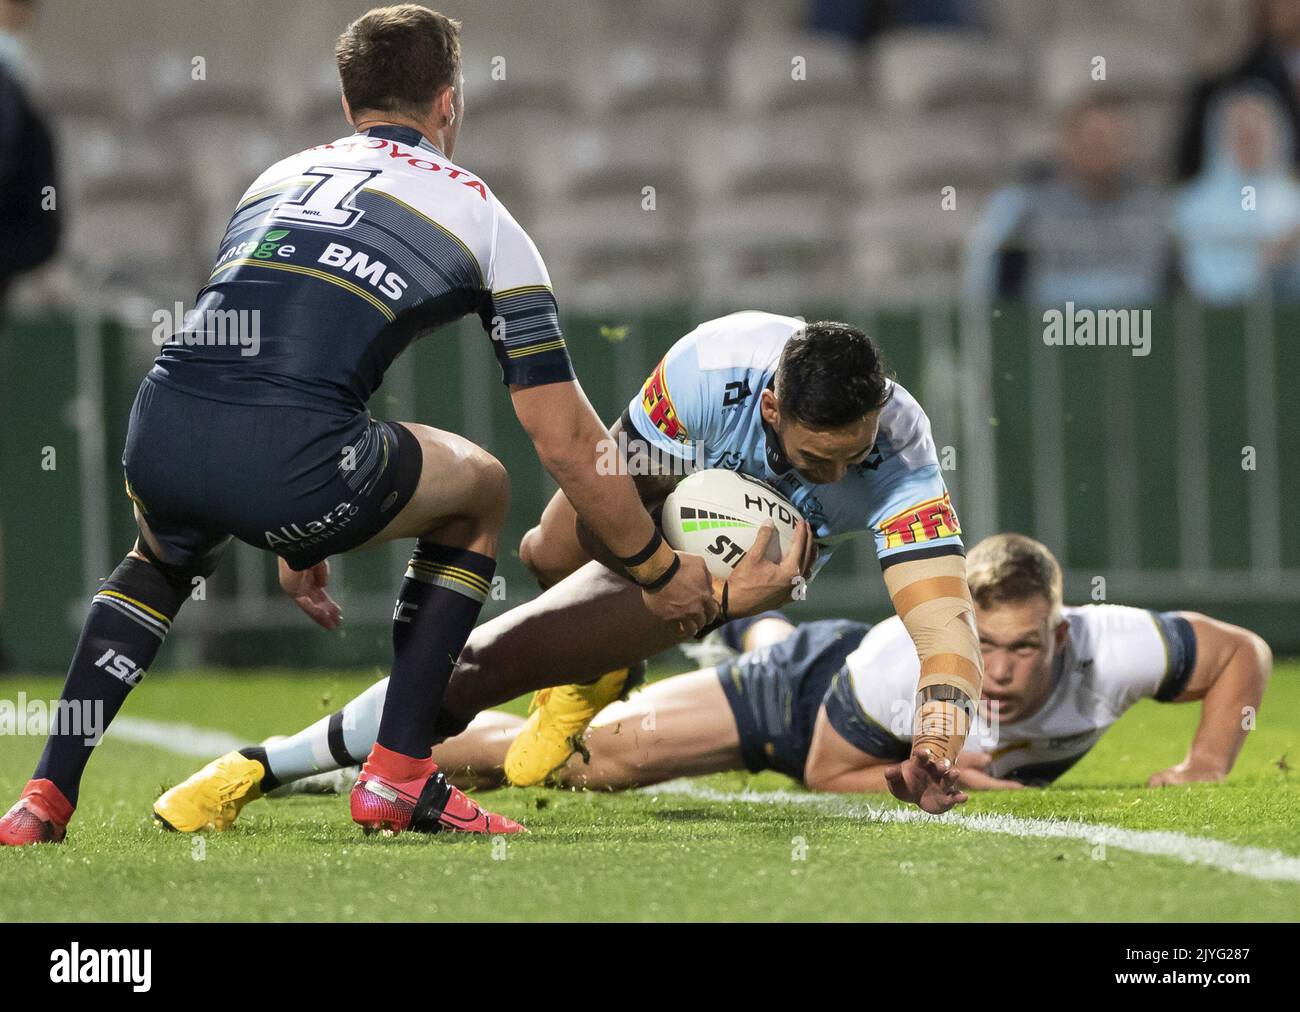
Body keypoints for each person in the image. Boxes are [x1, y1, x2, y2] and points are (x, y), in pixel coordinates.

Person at [0, 4, 717, 847]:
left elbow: (264, 358)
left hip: (162, 429)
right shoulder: (483, 217)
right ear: (449, 104)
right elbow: (562, 438)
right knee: (479, 487)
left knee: (158, 563)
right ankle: (399, 775)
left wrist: (299, 535)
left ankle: (42, 797)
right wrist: (655, 566)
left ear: (349, 105)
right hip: (291, 454)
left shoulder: (278, 177)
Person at [156, 309, 986, 831]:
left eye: (854, 456)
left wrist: (938, 736)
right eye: (817, 459)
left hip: (745, 566)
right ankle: (605, 667)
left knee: (482, 667)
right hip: (674, 535)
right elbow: (605, 501)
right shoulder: (711, 365)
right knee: (547, 548)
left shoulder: (901, 453)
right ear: (771, 405)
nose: (841, 477)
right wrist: (682, 585)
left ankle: (262, 764)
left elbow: (944, 623)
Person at [415, 533, 1274, 795]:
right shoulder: (913, 664)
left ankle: (756, 636)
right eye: (985, 647)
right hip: (809, 704)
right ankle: (393, 750)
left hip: (854, 692)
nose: (1002, 670)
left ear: (1063, 633)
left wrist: (1206, 762)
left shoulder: (1114, 646)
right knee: (585, 761)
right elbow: (826, 772)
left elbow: (1242, 655)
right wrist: (958, 785)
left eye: (1025, 646)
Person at [963, 96, 1168, 307]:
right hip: (1048, 329)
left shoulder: (1153, 208)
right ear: (1068, 141)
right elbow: (983, 281)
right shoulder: (1022, 204)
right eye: (1094, 138)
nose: (1102, 148)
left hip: (1136, 331)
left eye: (1112, 139)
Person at [1172, 85, 1300, 303]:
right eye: (1242, 133)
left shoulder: (1294, 204)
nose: (1251, 142)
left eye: (1258, 133)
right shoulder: (1189, 205)